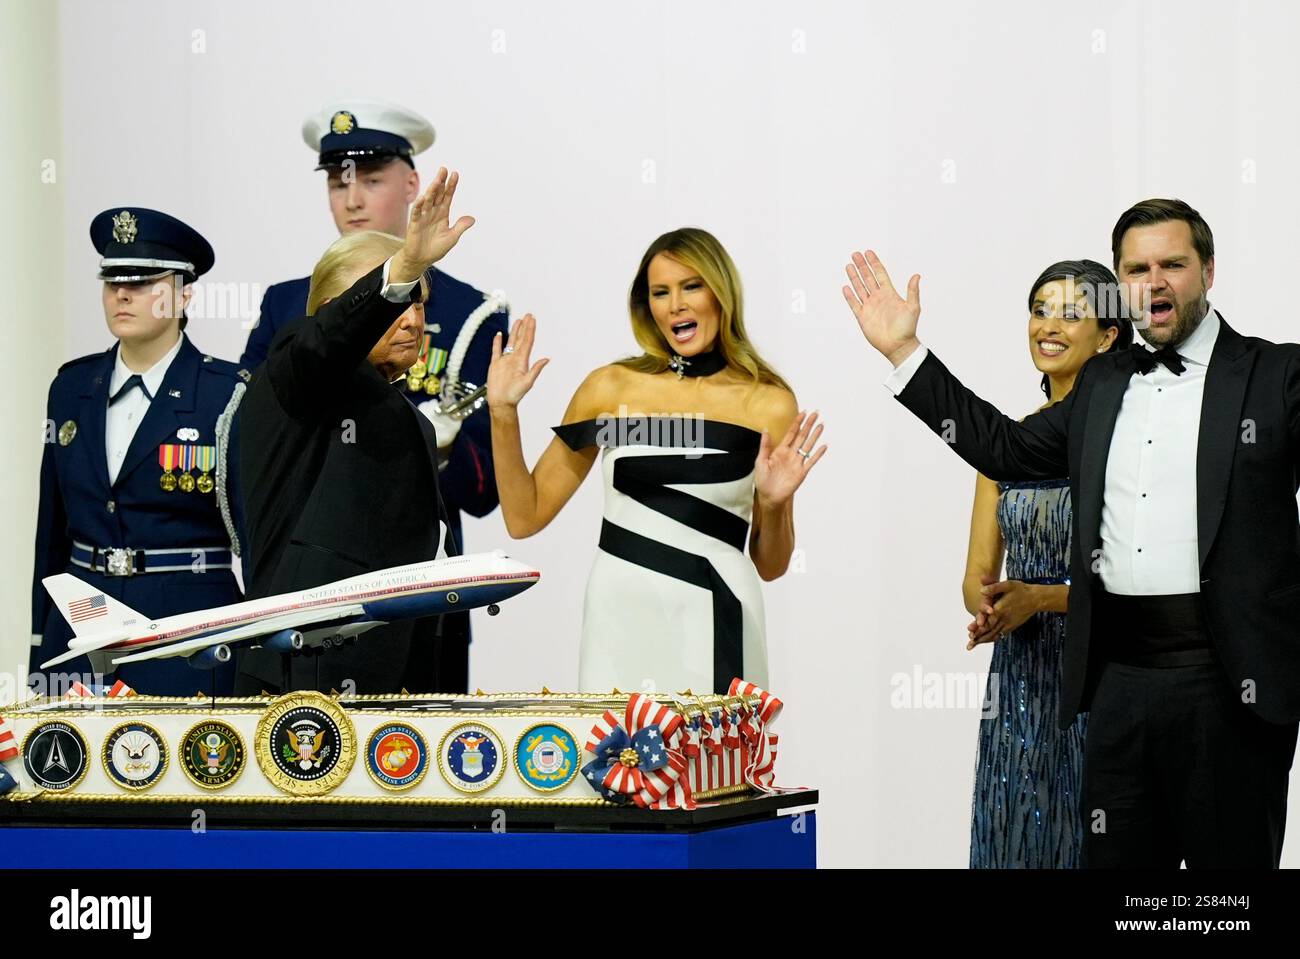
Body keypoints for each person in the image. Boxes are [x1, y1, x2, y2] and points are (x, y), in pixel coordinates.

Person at [844, 198, 1300, 868]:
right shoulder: (1103, 385)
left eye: (1173, 263)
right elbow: (1001, 448)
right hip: (1116, 687)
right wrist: (907, 353)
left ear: (1207, 269)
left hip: (1231, 690)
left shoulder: (1276, 375)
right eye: (1138, 268)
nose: (1157, 282)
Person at [487, 227, 826, 695]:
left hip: (718, 612)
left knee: (716, 769)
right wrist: (503, 413)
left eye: (691, 286)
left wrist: (772, 503)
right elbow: (524, 517)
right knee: (617, 765)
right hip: (618, 617)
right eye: (660, 292)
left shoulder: (767, 403)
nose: (676, 305)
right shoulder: (609, 387)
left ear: (721, 293)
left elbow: (771, 565)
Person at [240, 98, 506, 691]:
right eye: (337, 181)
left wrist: (490, 422)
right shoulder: (296, 334)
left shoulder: (472, 313)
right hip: (313, 651)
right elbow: (321, 355)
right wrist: (402, 269)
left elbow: (480, 492)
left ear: (412, 185)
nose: (352, 197)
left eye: (420, 299)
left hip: (411, 637)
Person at [31, 207, 247, 696]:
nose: (123, 294)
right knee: (68, 769)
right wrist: (38, 641)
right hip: (78, 628)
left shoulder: (226, 392)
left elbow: (253, 538)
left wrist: (262, 657)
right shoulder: (70, 387)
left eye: (144, 281)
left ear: (184, 292)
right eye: (112, 281)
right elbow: (52, 530)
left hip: (189, 633)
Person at [962, 260, 1132, 868]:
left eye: (1070, 312)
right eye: (1039, 310)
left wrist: (1042, 597)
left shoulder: (1129, 437)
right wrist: (992, 610)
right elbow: (976, 576)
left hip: (1104, 672)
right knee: (1012, 838)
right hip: (1021, 683)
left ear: (1109, 335)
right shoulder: (1004, 444)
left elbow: (1131, 577)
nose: (1048, 326)